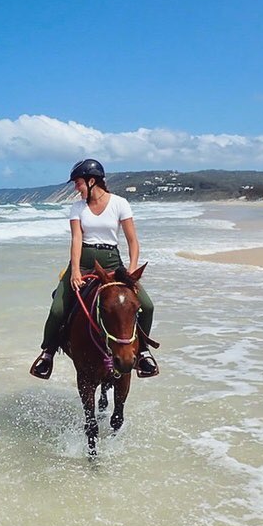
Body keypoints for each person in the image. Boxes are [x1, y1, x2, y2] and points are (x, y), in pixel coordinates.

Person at [29, 158, 158, 380]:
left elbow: (132, 241)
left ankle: (143, 351)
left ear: (91, 181)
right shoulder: (77, 207)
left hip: (112, 262)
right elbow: (77, 239)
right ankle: (47, 353)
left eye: (77, 183)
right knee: (58, 309)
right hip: (84, 261)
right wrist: (76, 271)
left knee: (146, 306)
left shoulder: (120, 203)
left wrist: (131, 271)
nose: (76, 188)